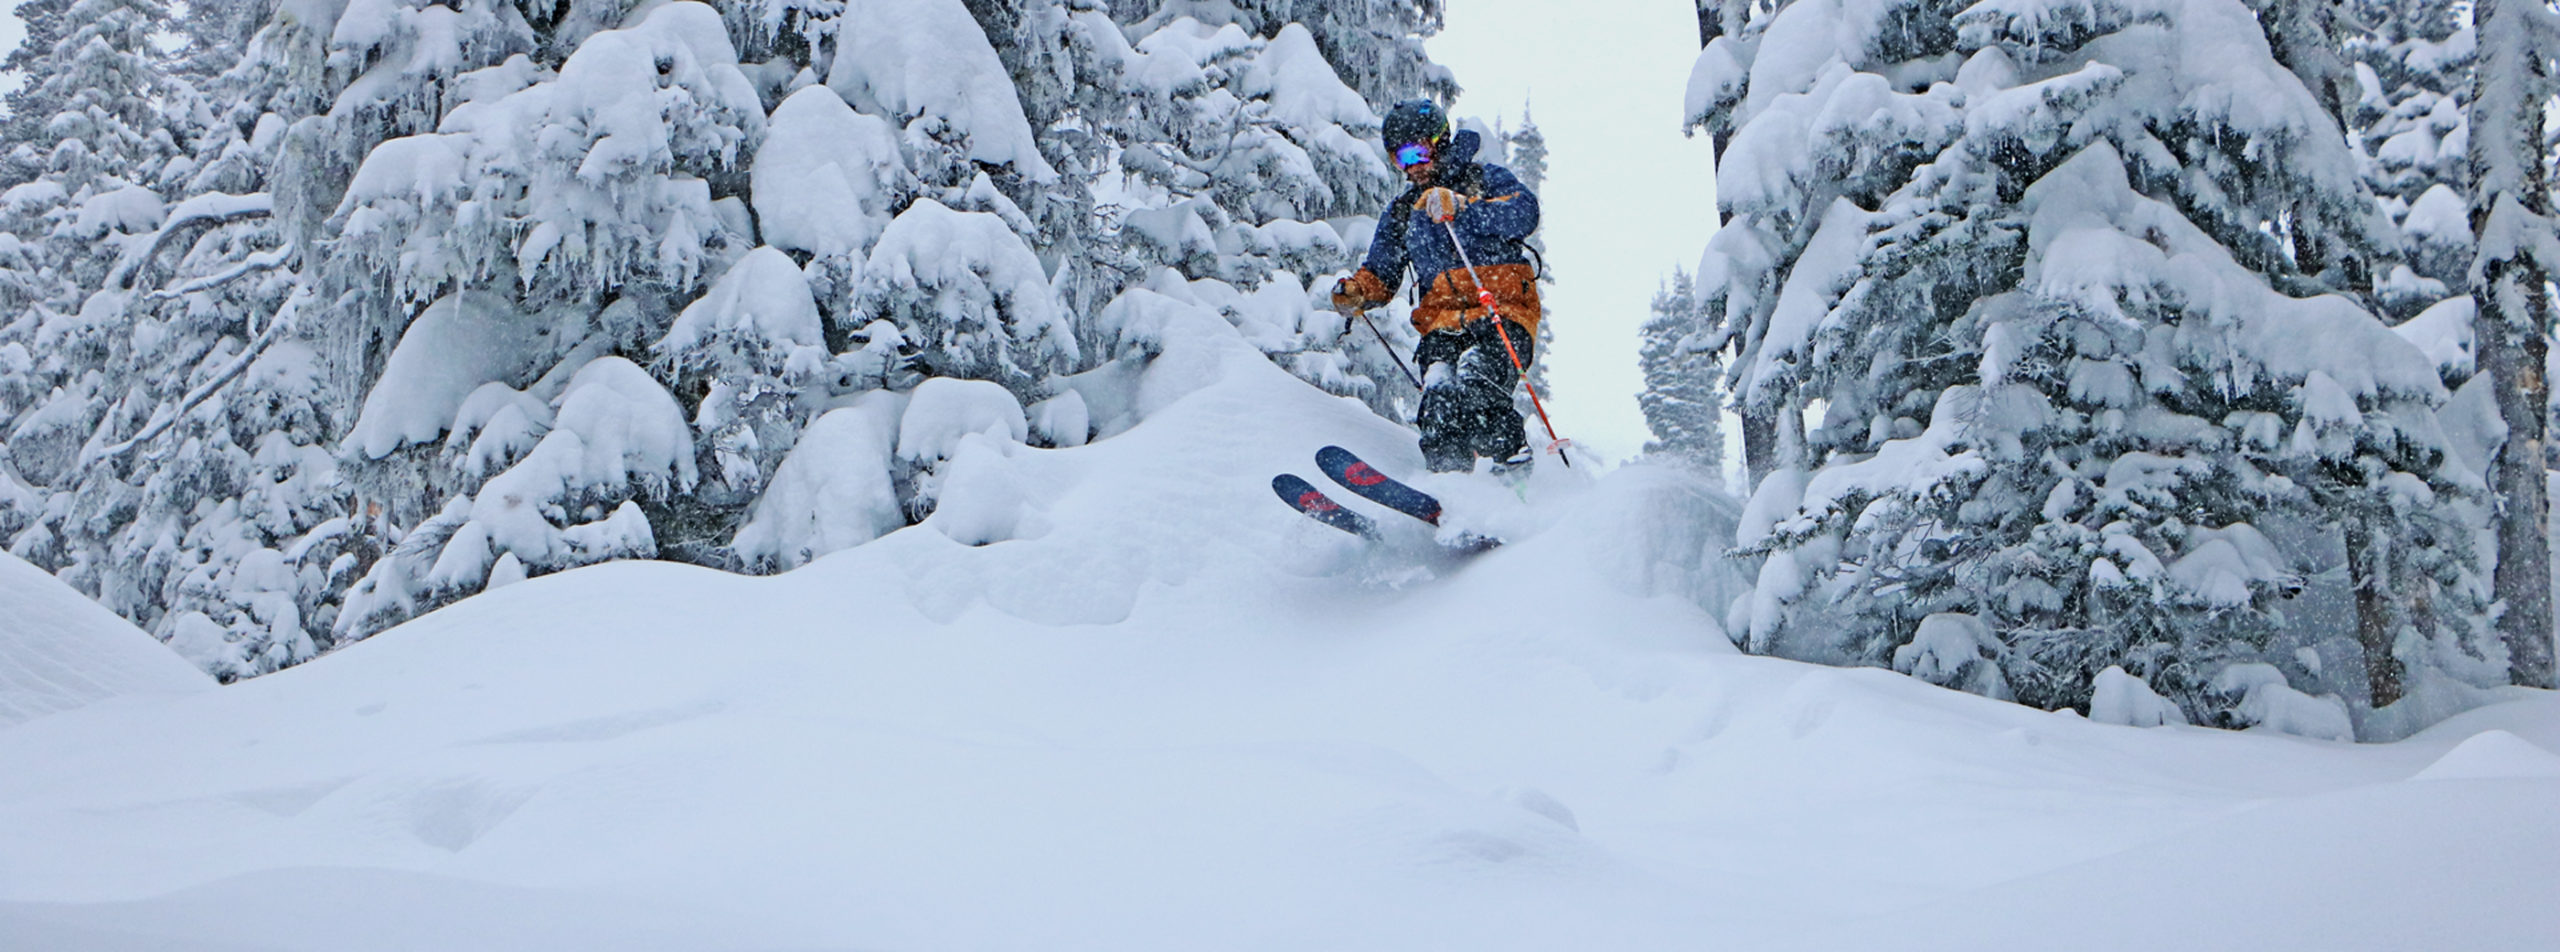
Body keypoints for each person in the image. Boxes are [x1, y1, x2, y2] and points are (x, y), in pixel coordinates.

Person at [1331, 99, 1544, 474]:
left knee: (1479, 382)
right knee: (1439, 398)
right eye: (1401, 159)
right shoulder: (1403, 211)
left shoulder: (1483, 179)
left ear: (1439, 142)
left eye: (1417, 152)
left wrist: (1464, 207)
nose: (1412, 167)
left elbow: (1524, 214)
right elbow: (1382, 272)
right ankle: (1451, 488)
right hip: (1443, 321)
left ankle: (1513, 475)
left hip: (1501, 311)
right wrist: (1359, 291)